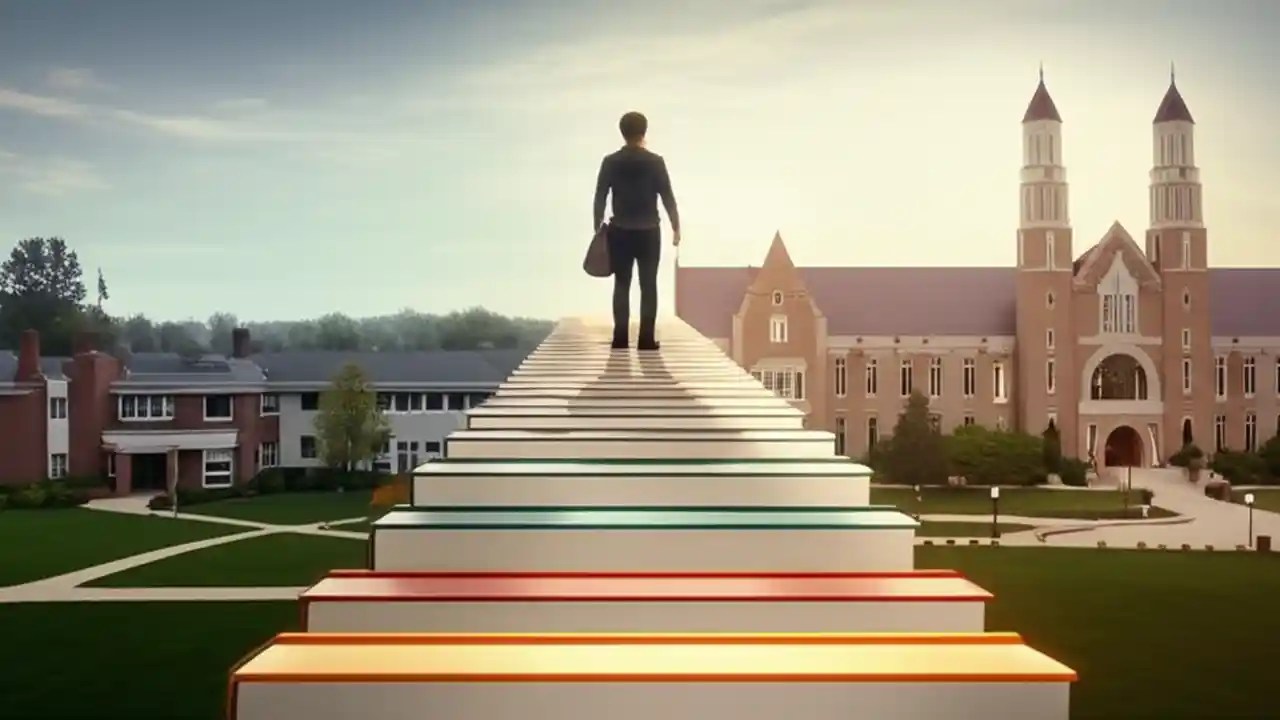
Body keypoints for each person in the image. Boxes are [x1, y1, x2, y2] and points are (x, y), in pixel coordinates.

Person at [593, 111, 681, 350]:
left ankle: (620, 338)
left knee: (622, 284)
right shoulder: (655, 161)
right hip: (649, 232)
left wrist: (597, 227)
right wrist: (676, 227)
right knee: (648, 285)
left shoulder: (610, 162)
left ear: (622, 132)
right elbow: (667, 197)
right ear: (644, 131)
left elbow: (600, 196)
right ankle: (646, 339)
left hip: (620, 231)